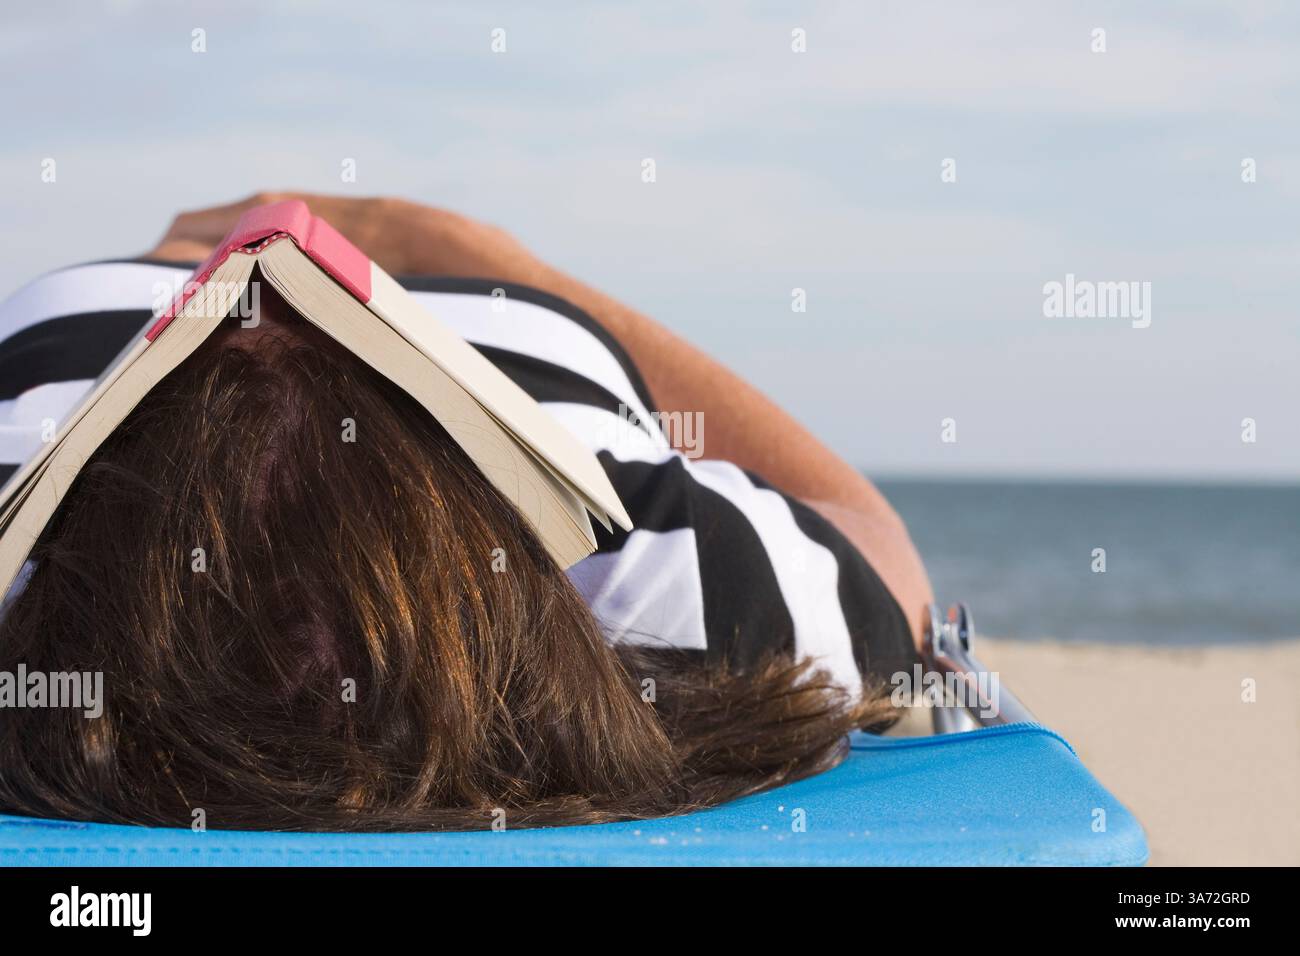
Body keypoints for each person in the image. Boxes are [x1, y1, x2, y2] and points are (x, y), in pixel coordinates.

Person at [0, 194, 933, 831]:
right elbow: (883, 550)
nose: (266, 292)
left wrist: (181, 256)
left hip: (109, 302)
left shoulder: (23, 546)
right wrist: (473, 255)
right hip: (498, 318)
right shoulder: (645, 557)